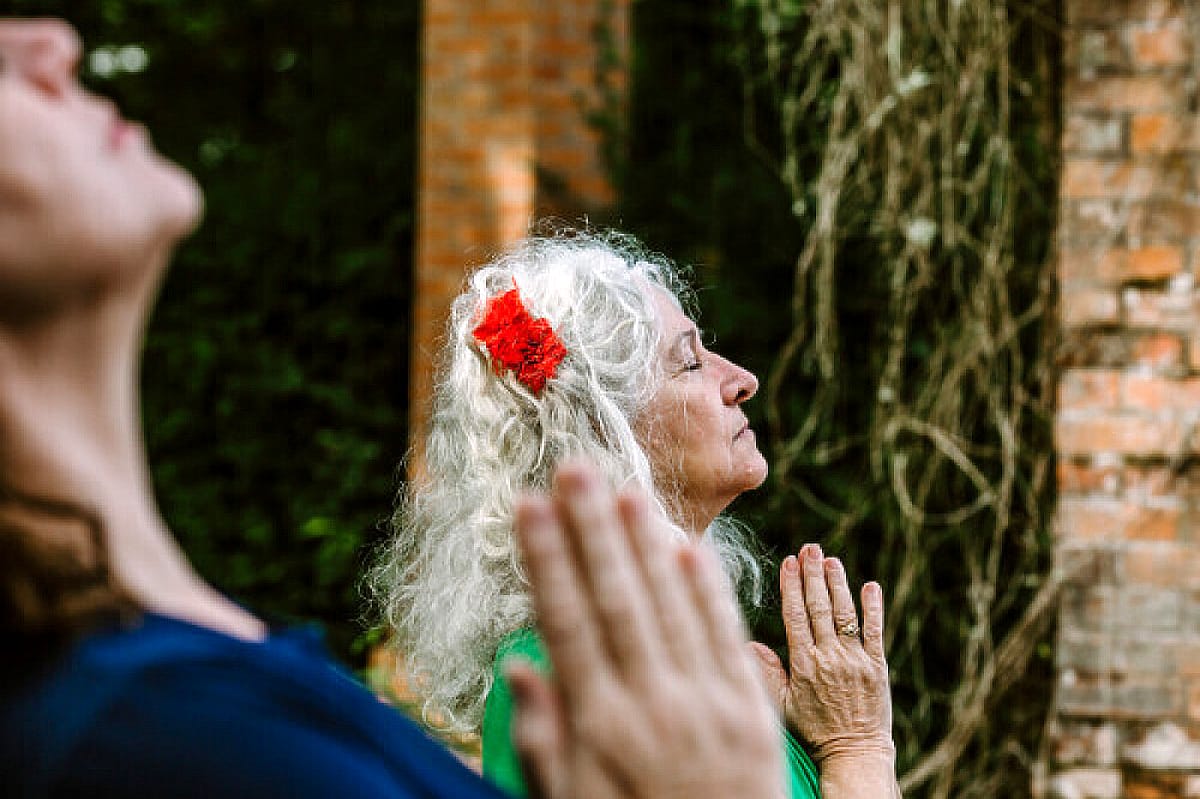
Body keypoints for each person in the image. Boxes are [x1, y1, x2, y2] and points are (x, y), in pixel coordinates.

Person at [0, 18, 797, 799]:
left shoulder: (193, 684)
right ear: (600, 429)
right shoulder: (133, 735)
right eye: (688, 358)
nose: (52, 41)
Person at [372, 233, 900, 798]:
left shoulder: (636, 657)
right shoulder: (588, 679)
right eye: (690, 362)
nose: (741, 380)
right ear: (606, 435)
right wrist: (858, 746)